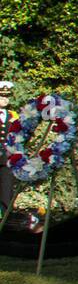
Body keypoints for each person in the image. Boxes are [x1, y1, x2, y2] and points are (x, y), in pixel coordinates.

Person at [0, 79, 15, 213]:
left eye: (7, 96)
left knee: (6, 189)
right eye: (2, 96)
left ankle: (4, 217)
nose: (5, 99)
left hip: (7, 158)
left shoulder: (13, 116)